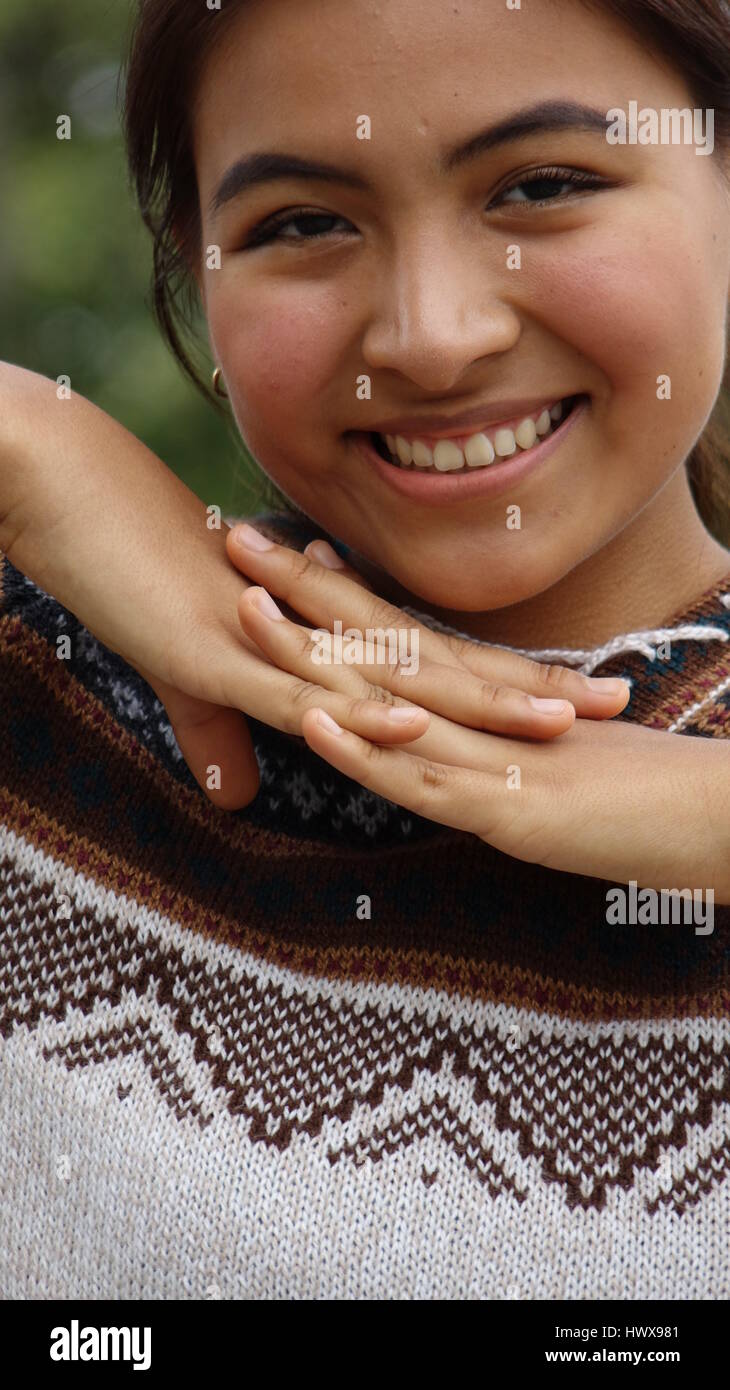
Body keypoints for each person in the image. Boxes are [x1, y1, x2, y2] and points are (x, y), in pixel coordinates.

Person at [1, 0, 729, 1300]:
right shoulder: (44, 702)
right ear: (192, 266)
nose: (431, 335)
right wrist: (26, 444)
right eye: (301, 222)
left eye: (544, 183)